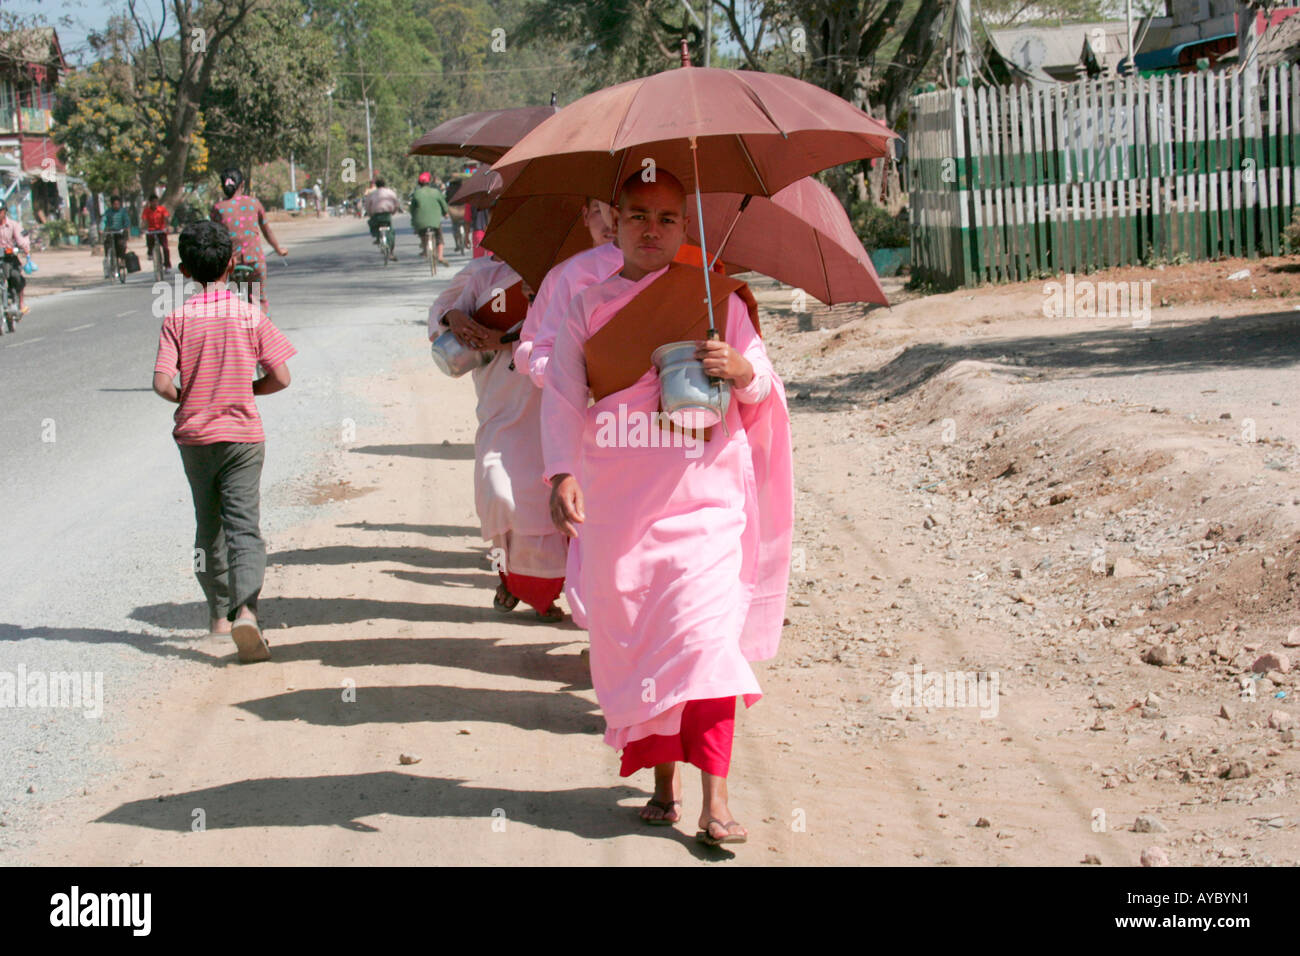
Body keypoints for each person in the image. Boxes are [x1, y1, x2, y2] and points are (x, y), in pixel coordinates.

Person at [541, 170, 793, 846]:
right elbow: (563, 397)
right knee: (645, 639)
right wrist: (561, 471)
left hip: (706, 498)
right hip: (621, 502)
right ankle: (662, 781)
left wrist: (738, 369)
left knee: (705, 638)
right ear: (613, 222)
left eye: (667, 218)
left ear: (685, 227)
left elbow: (762, 379)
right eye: (637, 216)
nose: (651, 230)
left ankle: (718, 801)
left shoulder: (716, 296)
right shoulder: (586, 305)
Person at [152, 221, 297, 663]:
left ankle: (217, 617)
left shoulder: (177, 318)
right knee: (244, 526)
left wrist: (193, 397)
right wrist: (243, 389)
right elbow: (282, 376)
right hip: (242, 437)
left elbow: (161, 383)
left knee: (207, 524)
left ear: (183, 270)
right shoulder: (250, 314)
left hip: (195, 438)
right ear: (233, 263)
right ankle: (247, 611)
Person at [429, 253, 567, 622]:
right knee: (499, 496)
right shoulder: (481, 274)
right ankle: (507, 576)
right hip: (498, 410)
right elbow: (441, 311)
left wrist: (525, 316)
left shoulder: (567, 274)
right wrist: (455, 318)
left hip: (550, 408)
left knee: (546, 503)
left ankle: (545, 593)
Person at [512, 198, 620, 629]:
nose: (611, 223)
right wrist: (568, 375)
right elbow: (529, 349)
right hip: (592, 434)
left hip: (666, 440)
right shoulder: (571, 275)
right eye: (600, 210)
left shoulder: (691, 272)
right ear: (584, 216)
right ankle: (612, 638)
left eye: (625, 210)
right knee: (601, 541)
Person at [209, 167, 288, 317]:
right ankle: (263, 329)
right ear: (242, 185)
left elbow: (215, 236)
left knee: (230, 299)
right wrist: (278, 249)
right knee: (258, 300)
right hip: (255, 261)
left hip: (231, 264)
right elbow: (267, 231)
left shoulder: (217, 208)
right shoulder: (254, 203)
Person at [409, 171, 450, 268]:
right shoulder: (436, 192)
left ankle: (424, 248)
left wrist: (414, 219)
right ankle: (440, 256)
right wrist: (445, 213)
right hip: (435, 222)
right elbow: (444, 205)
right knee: (439, 237)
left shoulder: (416, 193)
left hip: (421, 223)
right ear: (429, 182)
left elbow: (412, 209)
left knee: (421, 233)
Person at [0, 203, 30, 316]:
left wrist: (22, 246)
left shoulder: (14, 225)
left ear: (5, 211)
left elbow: (23, 239)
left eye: (0, 211)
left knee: (17, 277)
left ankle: (21, 303)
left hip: (10, 259)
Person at [364, 176, 402, 258]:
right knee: (390, 232)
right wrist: (393, 212)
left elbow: (367, 206)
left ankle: (378, 237)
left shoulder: (372, 194)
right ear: (384, 184)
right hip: (387, 215)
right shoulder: (390, 192)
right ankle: (391, 252)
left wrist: (370, 214)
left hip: (376, 215)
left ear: (376, 185)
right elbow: (396, 204)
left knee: (372, 224)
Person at [142, 193, 172, 272]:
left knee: (165, 248)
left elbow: (166, 217)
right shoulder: (146, 211)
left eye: (156, 201)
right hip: (151, 230)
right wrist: (143, 228)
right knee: (149, 240)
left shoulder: (162, 209)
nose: (155, 203)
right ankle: (150, 253)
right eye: (153, 202)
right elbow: (144, 221)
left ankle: (167, 265)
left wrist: (167, 226)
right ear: (150, 202)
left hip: (161, 230)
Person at [101, 195, 132, 269]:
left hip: (120, 232)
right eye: (115, 204)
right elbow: (103, 221)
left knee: (121, 245)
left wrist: (126, 226)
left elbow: (126, 220)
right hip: (111, 231)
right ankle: (108, 259)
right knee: (107, 244)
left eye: (118, 204)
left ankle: (121, 259)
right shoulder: (108, 212)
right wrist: (101, 229)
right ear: (112, 204)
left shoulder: (123, 211)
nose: (116, 206)